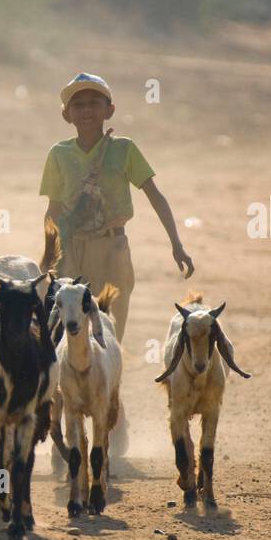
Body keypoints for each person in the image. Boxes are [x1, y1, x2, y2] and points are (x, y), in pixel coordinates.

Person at [40, 72, 194, 345]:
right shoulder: (59, 155)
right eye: (78, 104)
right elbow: (53, 210)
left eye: (94, 102)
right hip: (70, 250)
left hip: (113, 250)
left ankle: (108, 387)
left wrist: (177, 244)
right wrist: (48, 260)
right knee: (67, 333)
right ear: (66, 114)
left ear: (109, 110)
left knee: (109, 331)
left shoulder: (124, 150)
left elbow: (155, 196)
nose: (86, 109)